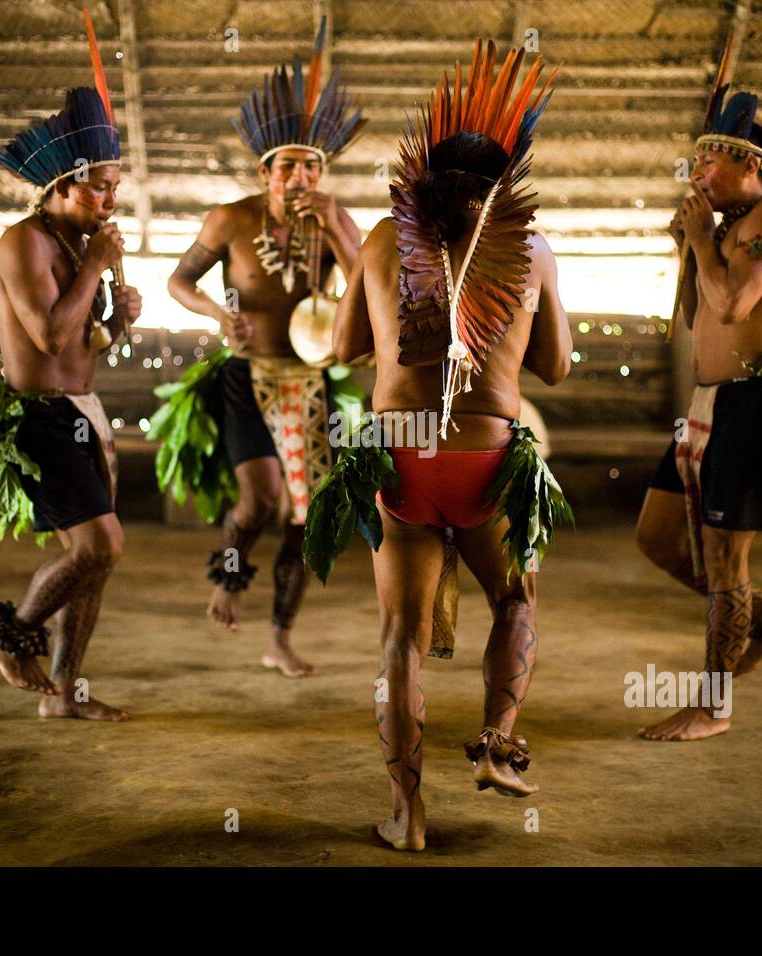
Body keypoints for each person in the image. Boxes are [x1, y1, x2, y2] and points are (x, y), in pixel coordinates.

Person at [331, 41, 570, 851]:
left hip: (401, 455)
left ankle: (409, 813)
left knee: (401, 637)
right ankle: (497, 746)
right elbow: (559, 368)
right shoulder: (533, 249)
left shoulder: (377, 241)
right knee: (515, 600)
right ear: (503, 186)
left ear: (423, 178)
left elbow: (339, 349)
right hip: (487, 454)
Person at [167, 18, 364, 677]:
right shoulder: (231, 218)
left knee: (309, 518)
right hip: (244, 375)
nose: (302, 175)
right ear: (266, 170)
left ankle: (279, 636)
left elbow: (368, 288)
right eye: (290, 165)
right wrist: (218, 318)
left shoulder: (335, 218)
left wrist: (334, 228)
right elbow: (178, 281)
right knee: (259, 503)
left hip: (307, 381)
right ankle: (228, 576)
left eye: (313, 165)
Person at [634, 89, 762, 742]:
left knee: (725, 562)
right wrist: (692, 243)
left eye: (710, 161)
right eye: (695, 163)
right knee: (656, 538)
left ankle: (714, 706)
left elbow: (734, 305)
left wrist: (705, 243)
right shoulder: (724, 228)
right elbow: (693, 313)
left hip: (751, 406)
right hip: (705, 407)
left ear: (749, 162)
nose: (697, 174)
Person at [0, 86, 142, 720]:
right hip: (41, 416)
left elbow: (84, 345)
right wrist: (97, 267)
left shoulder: (81, 247)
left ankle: (65, 695)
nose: (110, 200)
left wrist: (120, 320)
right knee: (99, 546)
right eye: (100, 188)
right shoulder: (23, 242)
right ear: (64, 184)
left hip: (84, 412)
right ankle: (10, 631)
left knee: (96, 562)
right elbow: (47, 337)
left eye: (114, 188)